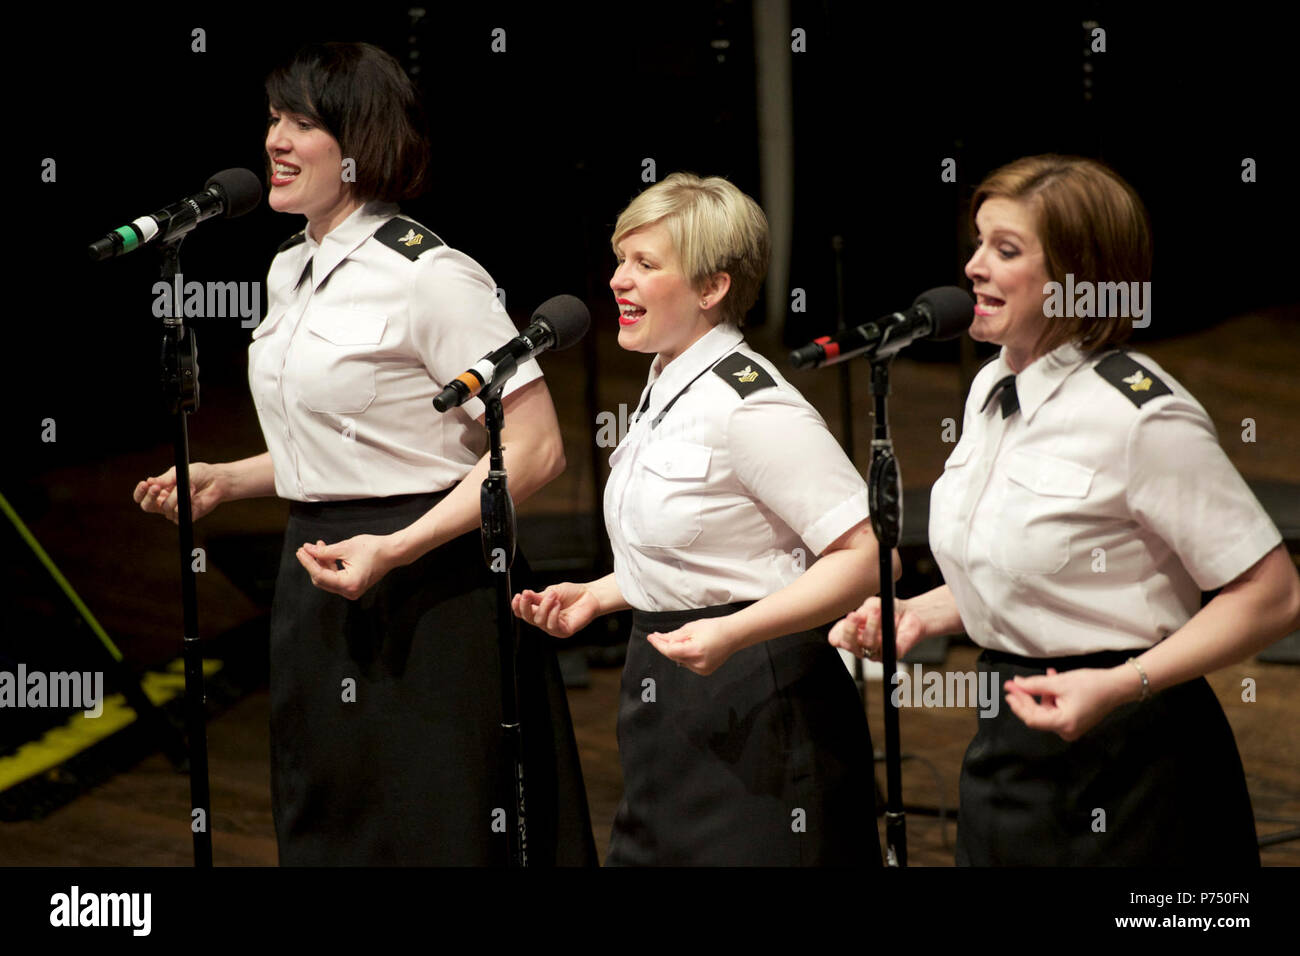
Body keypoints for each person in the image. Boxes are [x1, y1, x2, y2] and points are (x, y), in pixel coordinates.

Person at [132, 42, 595, 866]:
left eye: (302, 122)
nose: (274, 139)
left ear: (358, 149)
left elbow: (536, 449)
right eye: (274, 118)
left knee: (439, 822)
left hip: (431, 581)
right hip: (315, 575)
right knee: (332, 820)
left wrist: (397, 546)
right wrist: (230, 480)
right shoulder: (287, 269)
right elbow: (352, 440)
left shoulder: (432, 275)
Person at [830, 154, 1300, 866]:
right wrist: (924, 613)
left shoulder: (1139, 414)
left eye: (1006, 250)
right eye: (979, 243)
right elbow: (1035, 564)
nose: (974, 268)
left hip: (1134, 756)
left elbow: (1272, 595)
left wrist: (1119, 684)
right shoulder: (991, 388)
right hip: (1010, 742)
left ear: (1080, 280)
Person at [513, 172, 891, 866]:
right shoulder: (665, 384)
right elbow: (708, 547)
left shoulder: (749, 405)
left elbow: (871, 554)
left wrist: (734, 633)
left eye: (646, 265)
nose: (619, 281)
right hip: (668, 690)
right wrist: (600, 594)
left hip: (759, 697)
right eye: (621, 259)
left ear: (712, 288)